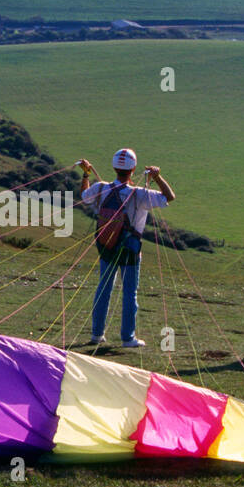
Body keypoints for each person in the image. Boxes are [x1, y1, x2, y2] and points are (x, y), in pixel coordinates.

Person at [77, 149, 175, 348]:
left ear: (115, 167)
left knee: (103, 288)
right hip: (130, 249)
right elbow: (169, 197)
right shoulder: (139, 194)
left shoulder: (100, 187)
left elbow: (84, 196)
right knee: (130, 292)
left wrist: (86, 173)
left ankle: (97, 335)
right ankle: (127, 338)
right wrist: (157, 177)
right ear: (133, 169)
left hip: (106, 245)